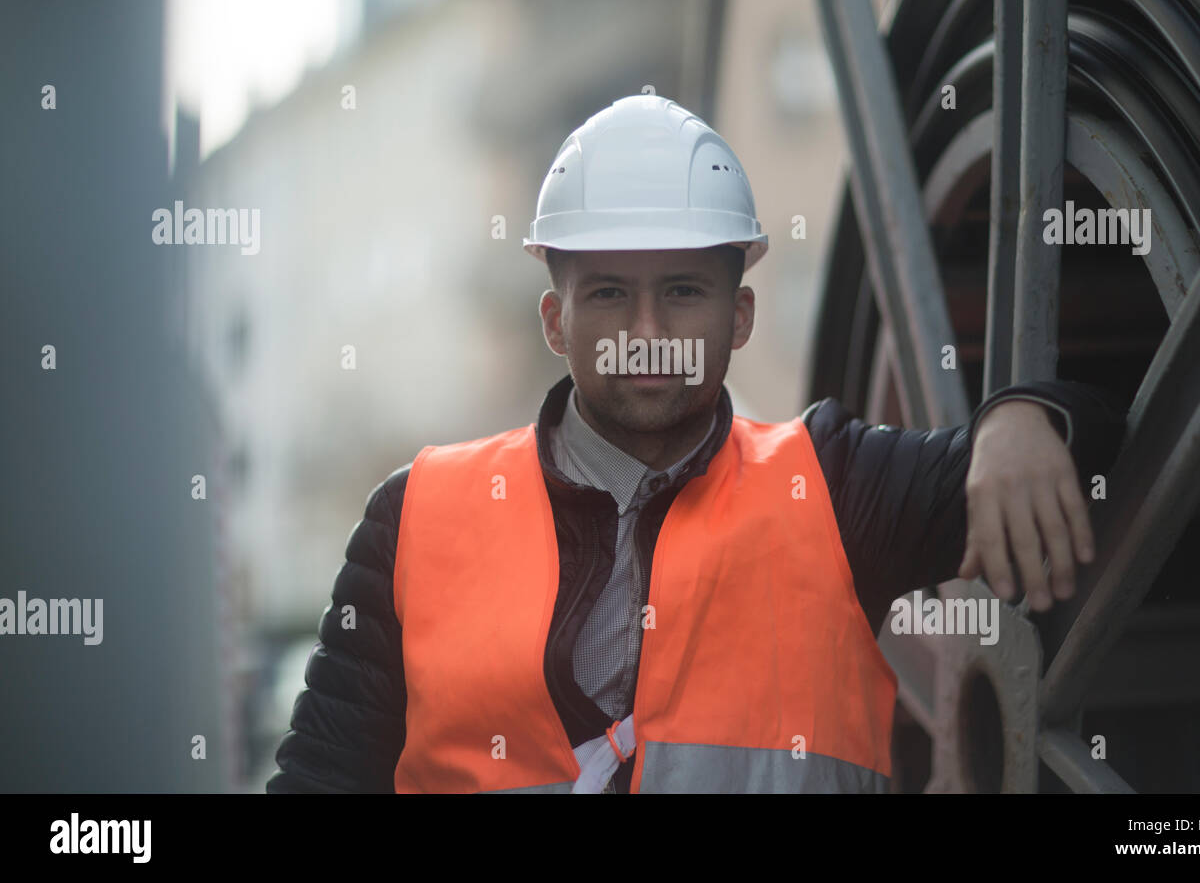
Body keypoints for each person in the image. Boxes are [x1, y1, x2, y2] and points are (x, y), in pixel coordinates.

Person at [266, 94, 1128, 793]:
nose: (646, 332)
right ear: (555, 320)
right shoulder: (413, 520)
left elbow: (1114, 420)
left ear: (740, 315)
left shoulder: (834, 487)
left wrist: (1024, 416)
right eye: (608, 294)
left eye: (682, 290)